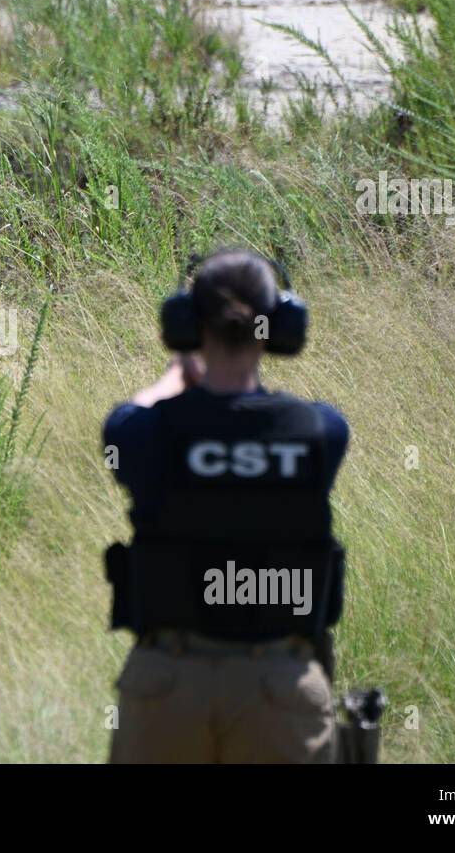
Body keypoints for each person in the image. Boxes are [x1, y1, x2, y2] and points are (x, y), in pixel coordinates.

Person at [103, 249, 349, 763]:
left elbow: (124, 422)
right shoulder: (319, 432)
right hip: (278, 686)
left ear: (188, 326)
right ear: (280, 327)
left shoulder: (147, 432)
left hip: (169, 683)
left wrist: (177, 378)